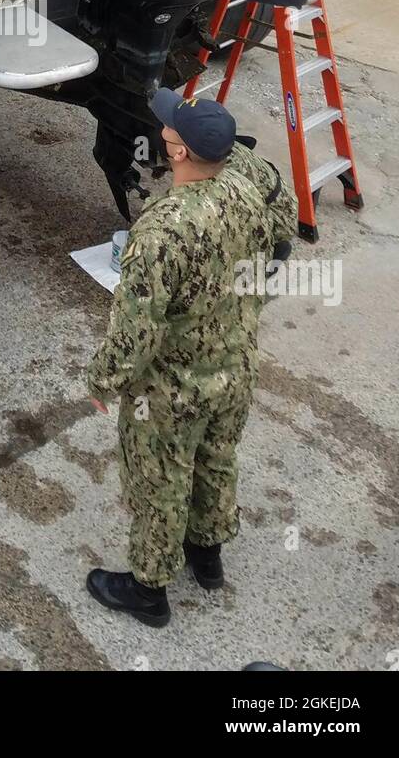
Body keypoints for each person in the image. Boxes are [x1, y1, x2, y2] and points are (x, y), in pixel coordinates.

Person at [86, 89, 297, 628]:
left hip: (174, 388)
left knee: (160, 480)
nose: (162, 131)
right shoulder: (247, 192)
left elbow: (137, 330)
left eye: (170, 130)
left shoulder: (162, 229)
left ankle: (149, 589)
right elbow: (284, 221)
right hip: (236, 367)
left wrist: (104, 381)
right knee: (217, 457)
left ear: (178, 153)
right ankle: (207, 555)